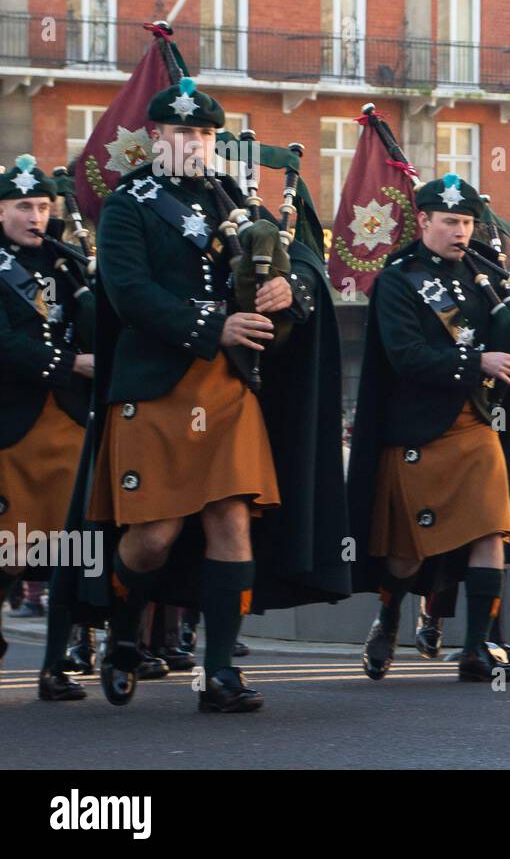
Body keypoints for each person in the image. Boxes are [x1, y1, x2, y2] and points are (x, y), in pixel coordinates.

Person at [45, 78, 351, 713]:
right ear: (157, 137)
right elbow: (128, 293)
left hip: (229, 387)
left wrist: (288, 290)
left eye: (207, 134)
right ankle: (123, 633)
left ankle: (219, 674)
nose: (196, 144)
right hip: (156, 386)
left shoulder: (234, 198)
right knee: (153, 536)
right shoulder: (129, 205)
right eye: (183, 133)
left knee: (231, 520)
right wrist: (214, 325)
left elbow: (299, 263)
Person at [347, 174, 510, 684]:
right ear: (423, 221)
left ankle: (478, 647)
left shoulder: (486, 276)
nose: (461, 232)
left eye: (466, 222)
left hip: (476, 424)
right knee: (403, 555)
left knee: (489, 532)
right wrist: (479, 359)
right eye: (451, 222)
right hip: (417, 427)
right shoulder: (399, 279)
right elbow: (406, 355)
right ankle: (390, 615)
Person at [0, 155, 93, 700]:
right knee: (8, 551)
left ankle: (56, 665)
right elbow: (6, 343)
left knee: (67, 551)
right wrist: (67, 365)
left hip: (67, 422)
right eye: (23, 206)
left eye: (42, 206)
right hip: (11, 423)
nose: (36, 216)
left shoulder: (65, 264)